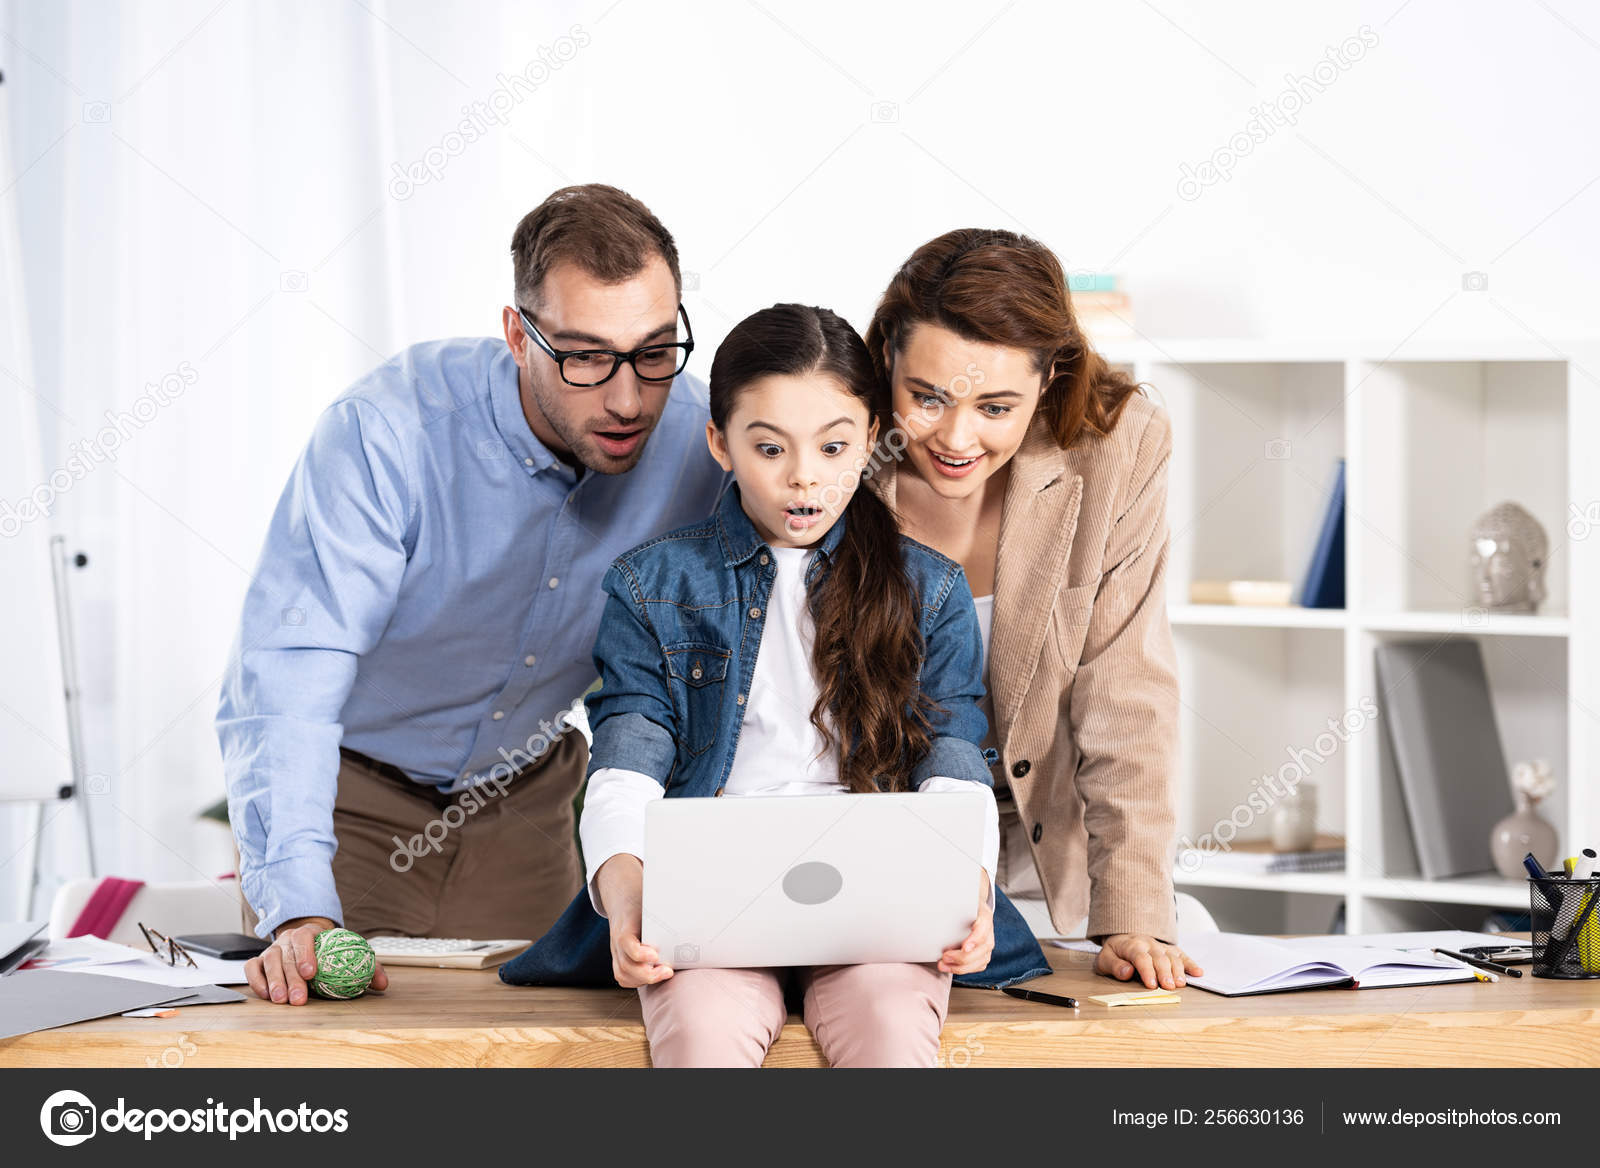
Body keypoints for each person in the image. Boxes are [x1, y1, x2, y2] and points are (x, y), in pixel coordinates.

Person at [498, 303, 1050, 1067]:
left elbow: (952, 749)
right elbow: (627, 753)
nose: (804, 477)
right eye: (769, 448)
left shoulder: (930, 589)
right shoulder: (652, 584)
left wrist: (967, 886)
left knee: (891, 1031)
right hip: (710, 899)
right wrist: (625, 893)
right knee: (700, 1034)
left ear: (871, 439)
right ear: (720, 443)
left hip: (878, 902)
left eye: (834, 447)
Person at [216, 184, 728, 1007]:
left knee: (541, 1064)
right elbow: (289, 673)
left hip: (524, 805)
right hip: (354, 807)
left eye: (655, 351)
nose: (629, 398)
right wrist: (300, 906)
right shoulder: (388, 432)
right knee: (344, 1072)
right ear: (515, 335)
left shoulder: (706, 443)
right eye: (586, 356)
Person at [862, 228, 1203, 992]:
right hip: (881, 841)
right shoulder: (833, 441)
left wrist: (1133, 914)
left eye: (996, 406)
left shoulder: (1118, 444)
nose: (956, 436)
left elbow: (1127, 690)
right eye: (927, 398)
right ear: (886, 355)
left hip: (1050, 849)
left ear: (1048, 380)